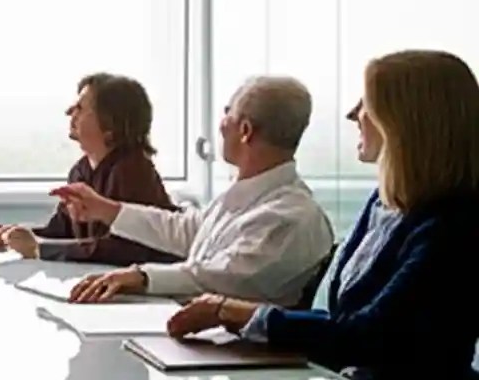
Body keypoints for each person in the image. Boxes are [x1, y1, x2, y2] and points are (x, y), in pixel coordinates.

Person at [167, 51, 479, 380]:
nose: (353, 115)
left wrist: (235, 311)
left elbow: (368, 336)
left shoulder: (454, 225)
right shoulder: (384, 203)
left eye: (367, 103)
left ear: (405, 121)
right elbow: (347, 320)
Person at [55, 76, 333, 306]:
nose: (222, 124)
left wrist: (141, 276)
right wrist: (106, 209)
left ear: (245, 130)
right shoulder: (248, 195)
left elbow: (220, 276)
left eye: (228, 113)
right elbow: (186, 230)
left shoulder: (290, 216)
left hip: (242, 356)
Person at [0, 73, 181, 265]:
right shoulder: (81, 169)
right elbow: (61, 231)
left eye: (80, 108)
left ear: (110, 125)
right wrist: (14, 236)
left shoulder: (133, 171)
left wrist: (40, 249)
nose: (70, 112)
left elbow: (125, 249)